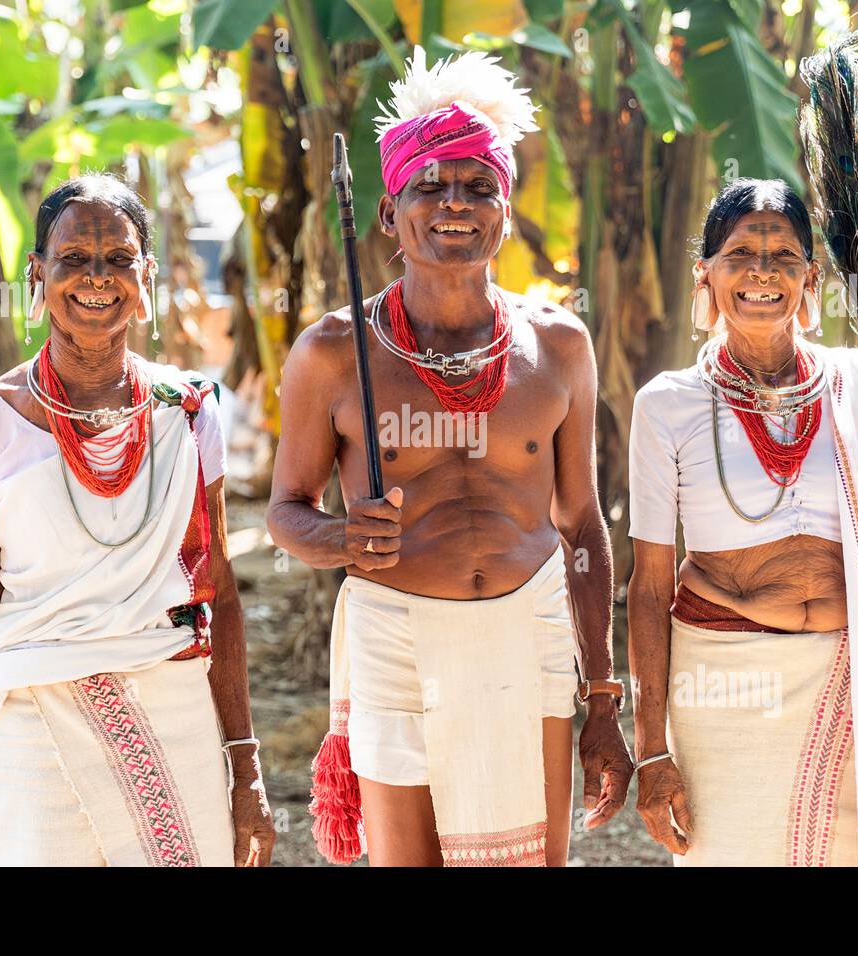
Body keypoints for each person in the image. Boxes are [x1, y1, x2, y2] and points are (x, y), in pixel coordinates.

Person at [267, 48, 633, 867]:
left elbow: (581, 524)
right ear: (390, 214)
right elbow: (286, 510)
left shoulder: (560, 346)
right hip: (394, 630)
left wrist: (603, 697)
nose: (454, 203)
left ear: (506, 209)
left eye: (478, 185)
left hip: (528, 630)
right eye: (428, 185)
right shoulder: (333, 353)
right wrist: (338, 540)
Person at [0, 175, 274, 867]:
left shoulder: (191, 411)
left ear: (146, 274)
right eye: (74, 259)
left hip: (176, 706)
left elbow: (219, 593)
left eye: (118, 258)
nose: (97, 278)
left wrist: (245, 767)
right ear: (38, 274)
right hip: (38, 723)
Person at [627, 178, 858, 866]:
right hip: (724, 686)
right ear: (707, 274)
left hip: (849, 681)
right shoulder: (667, 406)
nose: (762, 271)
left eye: (784, 255)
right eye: (740, 254)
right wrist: (651, 750)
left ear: (811, 279)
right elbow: (648, 587)